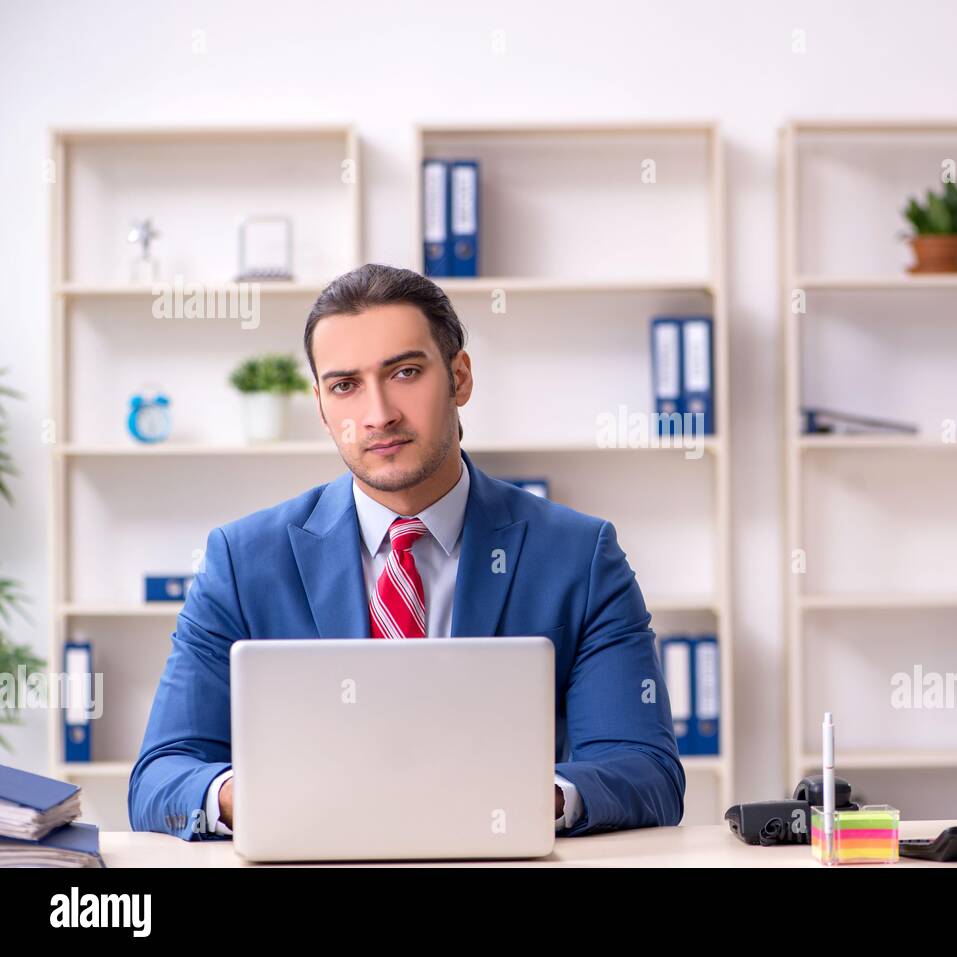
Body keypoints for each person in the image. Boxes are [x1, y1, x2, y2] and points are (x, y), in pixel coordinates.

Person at [128, 263, 685, 839]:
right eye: (345, 386)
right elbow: (159, 782)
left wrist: (504, 799)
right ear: (322, 406)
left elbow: (645, 774)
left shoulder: (579, 556)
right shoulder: (242, 562)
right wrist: (264, 798)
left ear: (459, 377)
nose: (379, 414)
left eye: (406, 372)